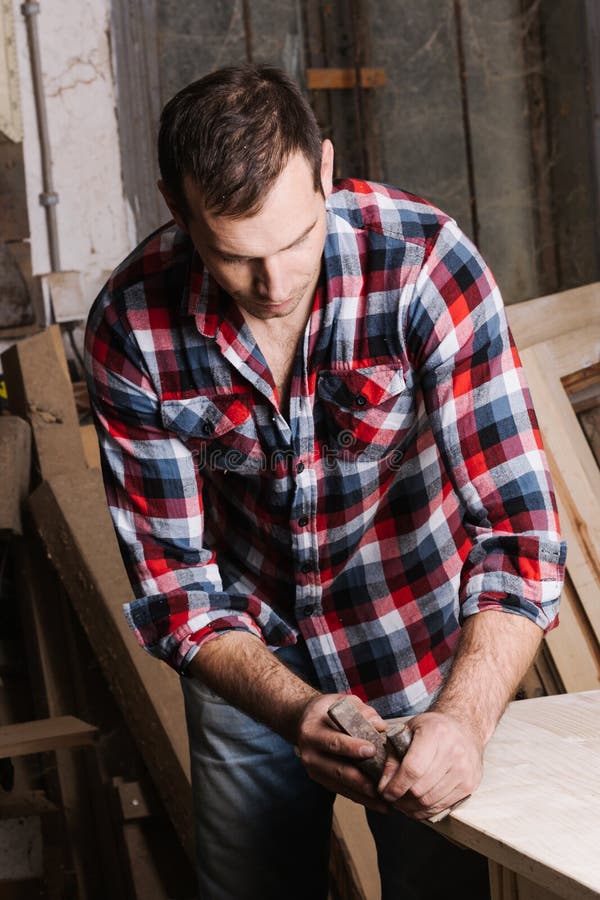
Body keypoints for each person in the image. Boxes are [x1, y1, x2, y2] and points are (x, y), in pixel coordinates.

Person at [84, 64, 566, 900]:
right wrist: (289, 707)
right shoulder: (132, 324)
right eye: (234, 258)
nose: (274, 289)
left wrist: (464, 718)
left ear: (327, 167)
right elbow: (177, 591)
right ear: (175, 204)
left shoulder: (422, 264)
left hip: (421, 646)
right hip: (249, 657)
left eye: (297, 240)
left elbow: (520, 536)